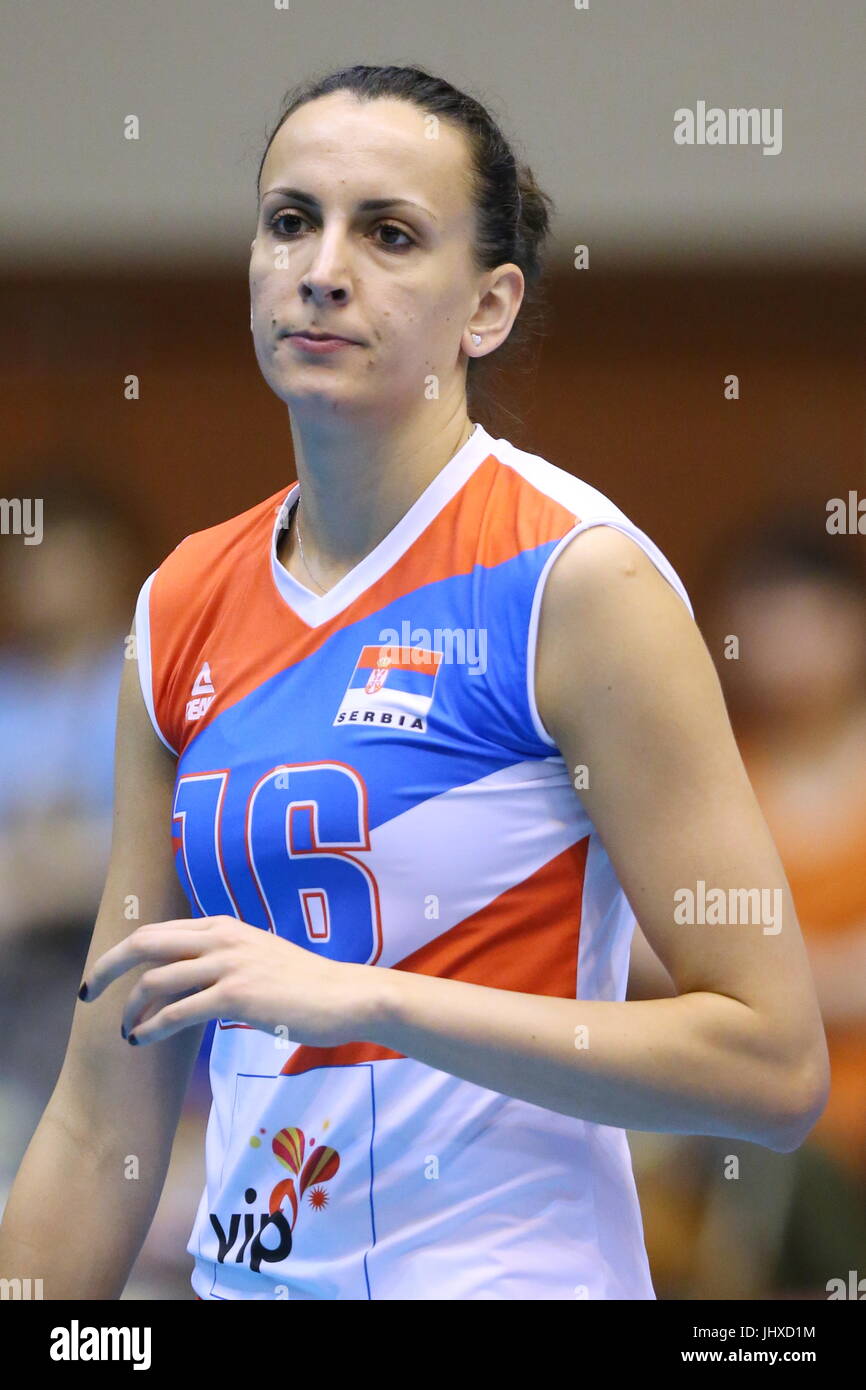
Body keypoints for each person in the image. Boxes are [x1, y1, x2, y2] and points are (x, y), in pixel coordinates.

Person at [0, 64, 829, 1302]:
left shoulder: (573, 583)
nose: (323, 266)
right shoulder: (179, 603)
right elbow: (100, 1113)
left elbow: (772, 1070)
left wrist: (373, 998)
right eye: (291, 221)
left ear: (486, 306)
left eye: (389, 233)